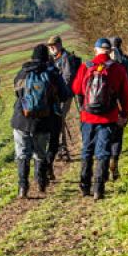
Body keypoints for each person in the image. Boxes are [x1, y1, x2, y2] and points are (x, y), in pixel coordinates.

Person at [71, 38, 128, 200]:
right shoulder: (118, 68)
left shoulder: (86, 66)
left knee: (87, 149)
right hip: (108, 117)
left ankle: (85, 185)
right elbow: (126, 95)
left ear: (96, 50)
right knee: (103, 151)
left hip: (88, 116)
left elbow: (76, 88)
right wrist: (125, 113)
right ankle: (99, 188)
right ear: (110, 51)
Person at [10, 44, 71, 198]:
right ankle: (41, 182)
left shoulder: (22, 72)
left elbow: (17, 93)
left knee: (22, 153)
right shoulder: (51, 73)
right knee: (40, 153)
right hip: (43, 120)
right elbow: (65, 94)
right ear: (46, 57)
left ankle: (23, 187)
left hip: (21, 119)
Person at [107, 36, 128, 181]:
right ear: (121, 45)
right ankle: (114, 161)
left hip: (106, 105)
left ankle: (105, 162)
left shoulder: (104, 62)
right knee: (118, 135)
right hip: (123, 102)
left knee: (106, 135)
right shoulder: (126, 59)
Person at [46, 35, 81, 165]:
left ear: (60, 44)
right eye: (50, 46)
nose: (51, 48)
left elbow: (67, 77)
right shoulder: (52, 58)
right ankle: (61, 148)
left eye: (53, 45)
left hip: (64, 95)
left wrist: (58, 92)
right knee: (56, 121)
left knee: (59, 120)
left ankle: (63, 149)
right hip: (54, 96)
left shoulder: (65, 58)